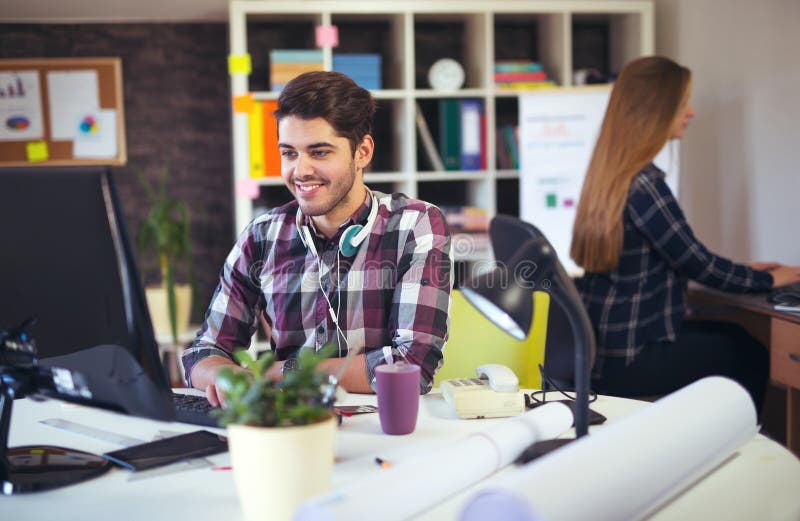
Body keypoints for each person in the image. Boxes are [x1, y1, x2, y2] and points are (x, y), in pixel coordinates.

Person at [183, 71, 453, 406]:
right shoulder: (263, 235)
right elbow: (203, 352)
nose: (301, 170)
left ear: (363, 152)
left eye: (319, 152)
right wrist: (225, 375)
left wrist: (275, 372)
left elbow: (413, 366)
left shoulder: (415, 224)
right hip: (290, 424)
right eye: (289, 153)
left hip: (381, 431)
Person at [570, 56, 800, 412]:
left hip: (605, 351)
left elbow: (681, 258)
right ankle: (731, 447)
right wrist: (768, 280)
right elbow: (700, 265)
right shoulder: (646, 186)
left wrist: (750, 270)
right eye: (682, 104)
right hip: (631, 357)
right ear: (655, 111)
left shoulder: (610, 176)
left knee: (731, 336)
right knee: (748, 352)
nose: (691, 112)